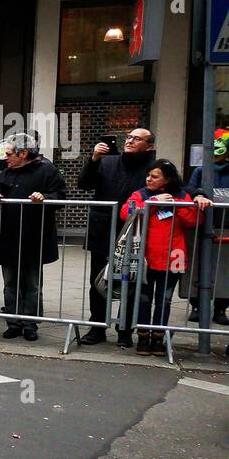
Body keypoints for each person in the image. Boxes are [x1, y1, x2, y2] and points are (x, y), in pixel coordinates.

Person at [77, 127, 156, 345]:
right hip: (103, 230)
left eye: (136, 139)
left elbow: (178, 186)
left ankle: (125, 330)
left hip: (136, 232)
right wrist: (93, 159)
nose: (129, 141)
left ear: (149, 146)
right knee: (98, 281)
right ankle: (97, 327)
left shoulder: (153, 168)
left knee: (131, 282)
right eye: (129, 137)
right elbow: (84, 184)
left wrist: (198, 194)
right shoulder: (107, 161)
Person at [0, 133, 67, 341]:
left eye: (9, 154)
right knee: (10, 283)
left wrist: (45, 197)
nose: (5, 158)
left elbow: (60, 196)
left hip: (34, 237)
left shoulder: (47, 170)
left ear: (23, 154)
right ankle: (13, 322)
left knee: (33, 284)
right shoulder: (6, 172)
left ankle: (30, 323)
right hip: (9, 236)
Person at [120, 160, 197, 355]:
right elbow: (126, 213)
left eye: (154, 176)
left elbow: (193, 220)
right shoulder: (141, 194)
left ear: (167, 179)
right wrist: (153, 202)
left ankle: (158, 338)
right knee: (144, 300)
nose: (149, 179)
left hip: (173, 257)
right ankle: (143, 337)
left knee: (165, 300)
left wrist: (176, 204)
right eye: (148, 175)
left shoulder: (182, 195)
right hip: (145, 257)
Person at [187, 128, 229, 326]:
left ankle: (221, 307)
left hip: (226, 223)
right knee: (199, 265)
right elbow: (190, 188)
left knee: (225, 267)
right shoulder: (200, 170)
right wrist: (198, 194)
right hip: (204, 222)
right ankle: (197, 305)